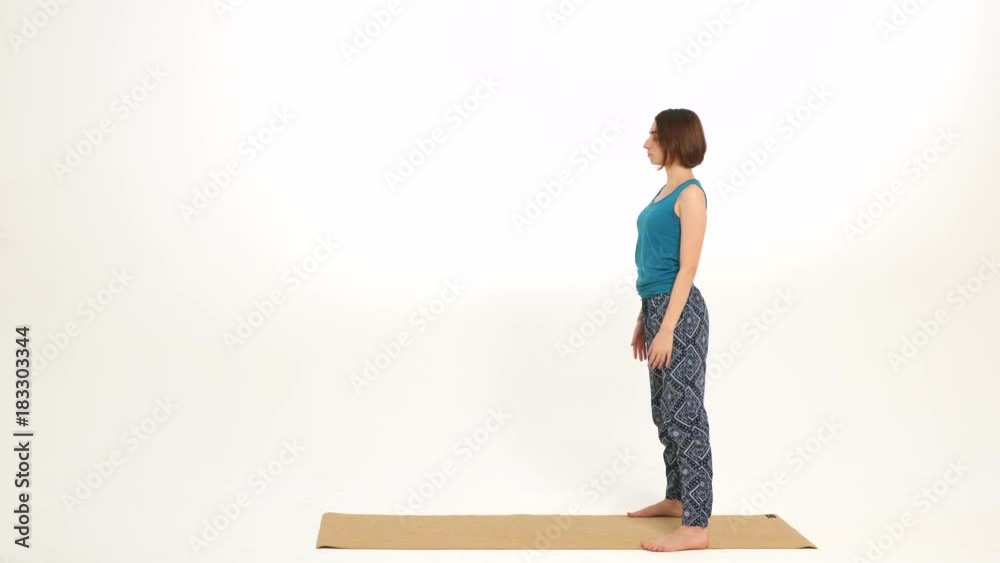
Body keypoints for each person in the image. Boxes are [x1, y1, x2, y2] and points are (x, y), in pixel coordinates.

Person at [626, 108, 713, 552]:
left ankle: (696, 526)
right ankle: (677, 498)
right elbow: (654, 262)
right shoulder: (666, 190)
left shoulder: (691, 195)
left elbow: (687, 268)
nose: (646, 142)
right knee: (665, 412)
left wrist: (668, 328)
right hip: (658, 309)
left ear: (675, 141)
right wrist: (647, 319)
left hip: (680, 314)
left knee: (686, 416)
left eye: (654, 135)